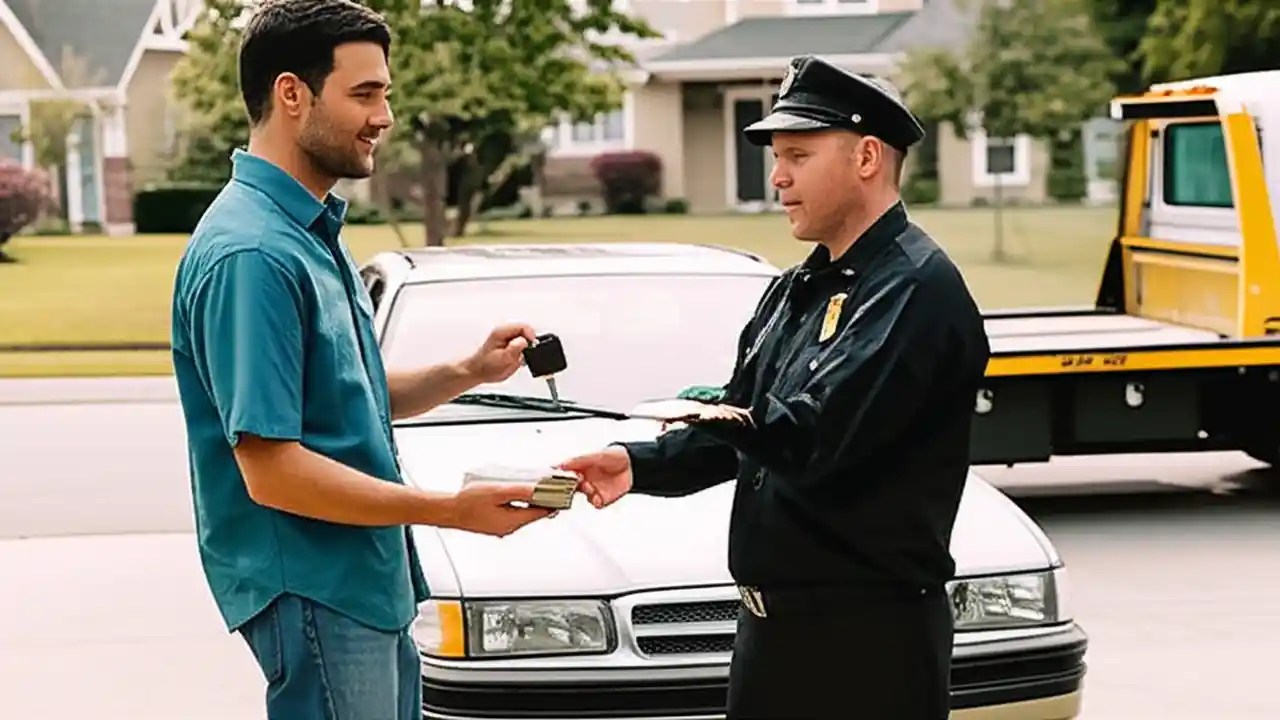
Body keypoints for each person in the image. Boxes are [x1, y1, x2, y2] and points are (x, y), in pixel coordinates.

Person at [561, 55, 991, 719]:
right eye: (777, 157)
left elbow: (812, 438)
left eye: (798, 155)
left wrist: (708, 414)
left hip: (865, 645)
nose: (777, 177)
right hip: (772, 636)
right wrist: (637, 463)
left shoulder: (913, 288)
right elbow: (746, 425)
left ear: (867, 156)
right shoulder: (798, 288)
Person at [168, 1, 553, 718]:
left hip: (364, 584)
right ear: (292, 94)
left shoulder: (306, 229)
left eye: (385, 93)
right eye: (366, 93)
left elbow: (346, 400)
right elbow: (272, 470)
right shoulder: (251, 254)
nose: (386, 117)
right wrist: (449, 510)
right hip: (319, 587)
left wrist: (467, 371)